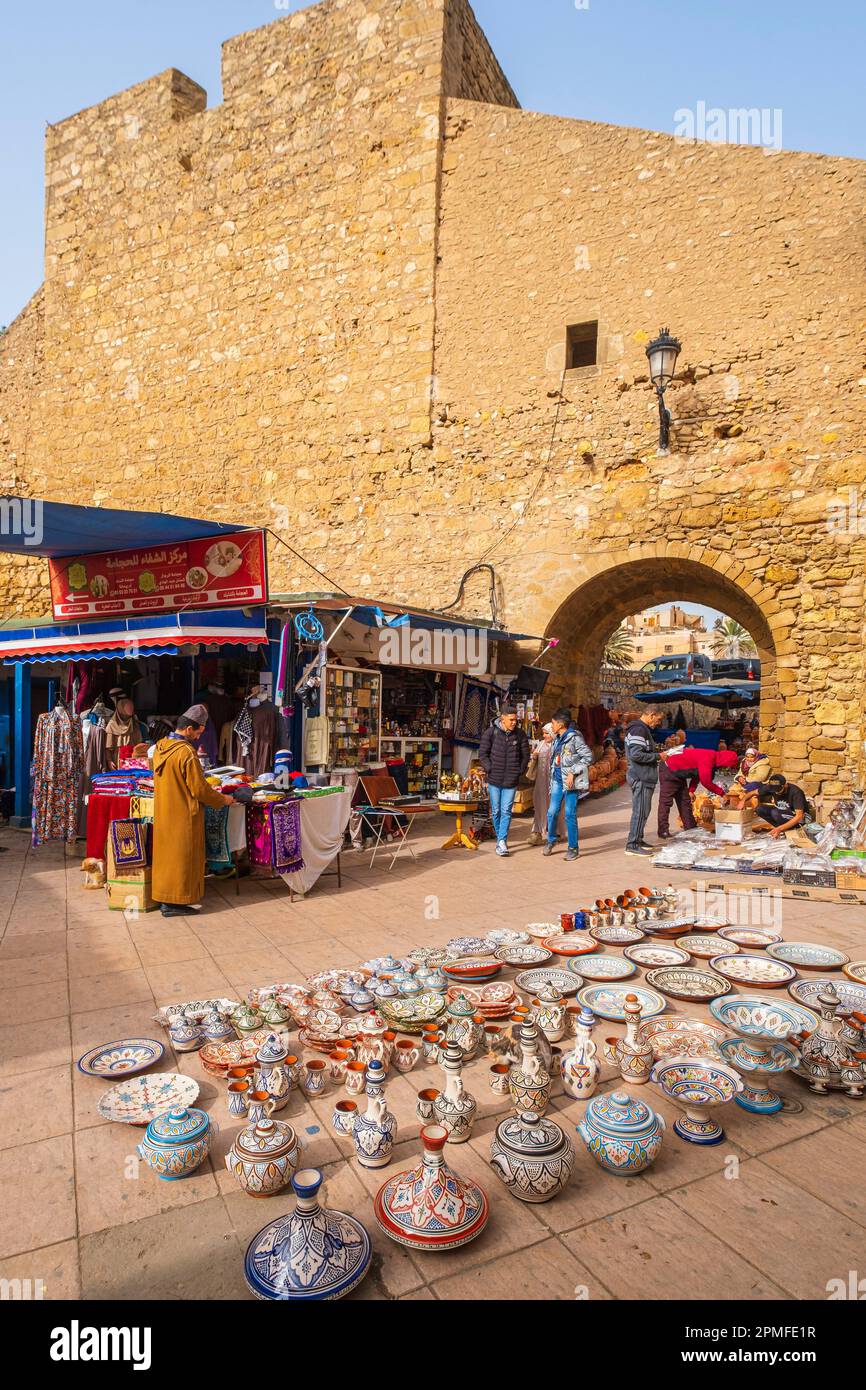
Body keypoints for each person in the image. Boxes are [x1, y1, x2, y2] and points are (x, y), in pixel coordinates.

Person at [152, 705, 235, 917]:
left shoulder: (162, 746)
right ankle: (176, 903)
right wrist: (223, 799)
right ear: (189, 729)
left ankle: (164, 898)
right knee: (183, 859)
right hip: (183, 815)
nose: (199, 736)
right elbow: (199, 789)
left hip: (165, 813)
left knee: (167, 858)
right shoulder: (186, 752)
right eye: (199, 731)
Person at [478, 705, 530, 857]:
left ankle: (502, 841)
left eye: (516, 720)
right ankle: (500, 839)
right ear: (503, 719)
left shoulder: (520, 735)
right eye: (511, 720)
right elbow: (483, 754)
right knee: (496, 810)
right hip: (494, 779)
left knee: (506, 810)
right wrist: (490, 768)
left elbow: (525, 756)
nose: (514, 722)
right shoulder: (491, 733)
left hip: (511, 780)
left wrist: (518, 771)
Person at [543, 708, 593, 861]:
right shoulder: (557, 738)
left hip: (570, 783)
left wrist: (573, 771)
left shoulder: (575, 738)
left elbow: (588, 756)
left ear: (560, 724)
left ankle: (573, 848)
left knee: (570, 814)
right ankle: (551, 840)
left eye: (553, 723)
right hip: (557, 781)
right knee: (552, 812)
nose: (551, 726)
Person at [657, 747, 739, 838]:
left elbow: (697, 774)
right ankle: (663, 830)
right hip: (669, 768)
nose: (725, 768)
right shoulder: (708, 759)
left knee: (685, 801)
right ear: (725, 761)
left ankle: (690, 827)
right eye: (727, 766)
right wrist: (722, 794)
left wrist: (691, 790)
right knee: (666, 802)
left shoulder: (712, 757)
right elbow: (705, 782)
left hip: (679, 772)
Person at [624, 706, 665, 856]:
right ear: (652, 715)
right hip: (641, 776)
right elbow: (636, 755)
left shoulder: (640, 729)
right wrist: (658, 756)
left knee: (643, 810)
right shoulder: (639, 730)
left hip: (643, 775)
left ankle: (638, 840)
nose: (658, 723)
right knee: (640, 811)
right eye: (658, 719)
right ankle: (632, 844)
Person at [528, 724, 563, 847]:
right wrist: (534, 756)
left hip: (554, 782)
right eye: (543, 733)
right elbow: (534, 760)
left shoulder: (558, 745)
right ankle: (537, 832)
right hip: (541, 782)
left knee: (553, 807)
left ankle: (555, 832)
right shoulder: (541, 744)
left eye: (547, 733)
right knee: (539, 805)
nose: (544, 736)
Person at [752, 773, 809, 838]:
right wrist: (742, 801)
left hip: (800, 820)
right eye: (774, 790)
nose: (776, 792)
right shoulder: (771, 787)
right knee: (760, 809)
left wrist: (780, 829)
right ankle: (780, 828)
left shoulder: (796, 792)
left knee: (775, 813)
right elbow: (753, 792)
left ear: (785, 785)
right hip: (783, 814)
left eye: (778, 790)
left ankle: (783, 828)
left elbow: (799, 816)